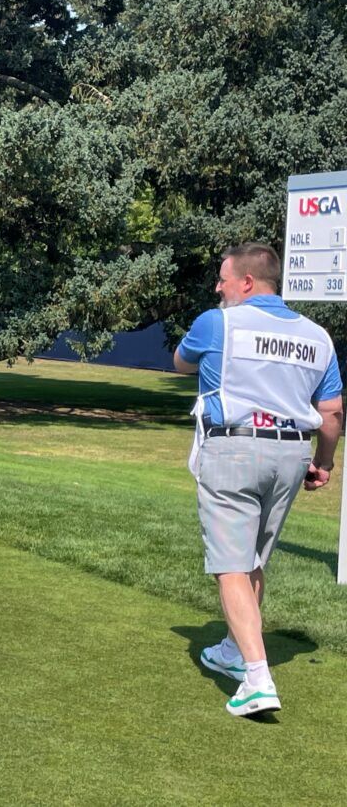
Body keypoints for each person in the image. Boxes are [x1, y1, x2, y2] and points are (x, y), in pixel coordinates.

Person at [174, 242, 342, 716]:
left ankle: (257, 678)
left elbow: (181, 362)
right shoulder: (319, 337)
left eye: (224, 278)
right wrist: (324, 463)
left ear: (247, 282)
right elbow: (330, 412)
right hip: (292, 453)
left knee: (230, 565)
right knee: (252, 560)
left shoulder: (217, 321)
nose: (218, 287)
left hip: (233, 446)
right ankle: (233, 649)